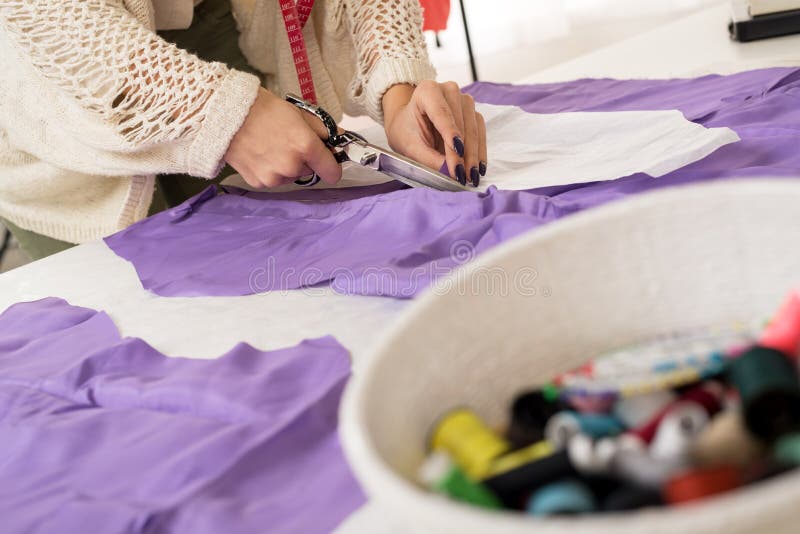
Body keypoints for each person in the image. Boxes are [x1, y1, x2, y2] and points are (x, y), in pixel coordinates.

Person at [0, 0, 487, 260]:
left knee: (268, 272)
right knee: (114, 322)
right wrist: (218, 112)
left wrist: (397, 86)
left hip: (216, 18)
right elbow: (36, 14)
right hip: (48, 86)